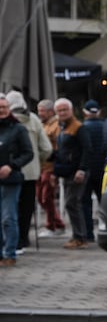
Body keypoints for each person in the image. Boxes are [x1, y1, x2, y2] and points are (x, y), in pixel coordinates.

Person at [5, 92, 52, 253]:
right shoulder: (34, 119)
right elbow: (47, 148)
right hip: (31, 172)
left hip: (9, 171)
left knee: (10, 207)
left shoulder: (7, 121)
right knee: (26, 208)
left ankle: (12, 241)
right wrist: (37, 162)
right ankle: (23, 239)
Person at [0, 96, 34, 267]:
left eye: (5, 107)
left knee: (8, 217)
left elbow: (29, 153)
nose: (2, 110)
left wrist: (12, 166)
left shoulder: (18, 129)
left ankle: (10, 252)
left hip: (11, 179)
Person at [53, 99, 91, 249]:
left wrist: (82, 169)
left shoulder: (78, 127)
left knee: (72, 203)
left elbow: (87, 149)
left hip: (77, 172)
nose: (62, 113)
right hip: (68, 171)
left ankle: (80, 237)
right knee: (73, 203)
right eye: (59, 111)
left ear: (71, 111)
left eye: (65, 110)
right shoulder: (61, 127)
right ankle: (79, 235)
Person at [36, 99, 66, 237]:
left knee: (46, 197)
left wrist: (56, 167)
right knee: (41, 197)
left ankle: (54, 225)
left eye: (42, 110)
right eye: (39, 110)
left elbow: (59, 148)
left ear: (50, 111)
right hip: (41, 167)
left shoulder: (56, 126)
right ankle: (56, 223)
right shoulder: (42, 125)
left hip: (50, 167)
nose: (39, 113)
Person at [79, 100, 106, 245]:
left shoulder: (83, 127)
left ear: (85, 112)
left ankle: (88, 233)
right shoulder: (105, 126)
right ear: (99, 112)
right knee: (105, 203)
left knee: (85, 203)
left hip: (87, 170)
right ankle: (105, 231)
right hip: (103, 170)